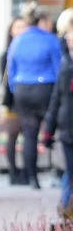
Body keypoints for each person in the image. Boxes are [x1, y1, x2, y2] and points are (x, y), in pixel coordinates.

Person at [7, 8, 63, 189]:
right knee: (57, 129)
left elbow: (11, 69)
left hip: (23, 88)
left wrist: (15, 88)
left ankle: (32, 178)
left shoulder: (18, 40)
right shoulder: (50, 40)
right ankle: (59, 171)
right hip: (46, 87)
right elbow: (58, 68)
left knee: (29, 135)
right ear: (42, 22)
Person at [43, 29, 73, 217]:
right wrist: (49, 130)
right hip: (68, 128)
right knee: (70, 172)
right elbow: (56, 98)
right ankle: (65, 211)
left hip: (67, 126)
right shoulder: (65, 66)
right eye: (69, 40)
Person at [0, 16, 28, 184]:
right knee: (12, 135)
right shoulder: (8, 52)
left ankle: (26, 170)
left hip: (27, 100)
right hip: (12, 100)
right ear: (11, 31)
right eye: (17, 27)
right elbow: (6, 78)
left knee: (28, 136)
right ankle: (13, 170)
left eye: (23, 27)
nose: (20, 30)